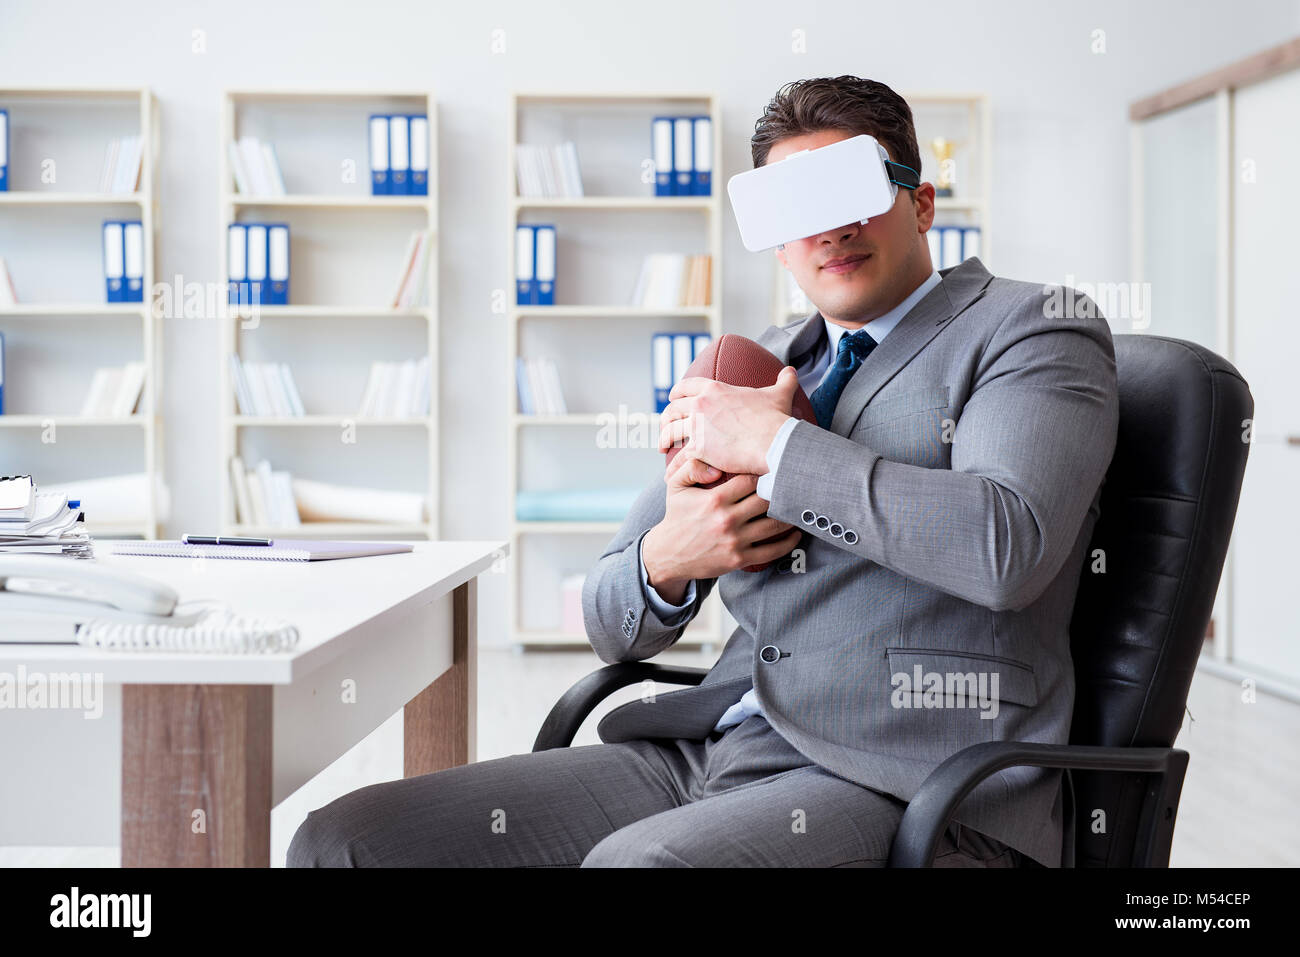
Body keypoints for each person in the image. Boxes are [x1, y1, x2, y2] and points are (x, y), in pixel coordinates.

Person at [288, 75, 1117, 868]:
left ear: (922, 202)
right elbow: (610, 621)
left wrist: (779, 451)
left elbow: (1008, 546)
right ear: (780, 242)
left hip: (909, 777)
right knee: (345, 839)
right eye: (799, 210)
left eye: (855, 193)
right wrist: (669, 563)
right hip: (711, 747)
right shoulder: (754, 366)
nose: (830, 229)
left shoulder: (1031, 327)